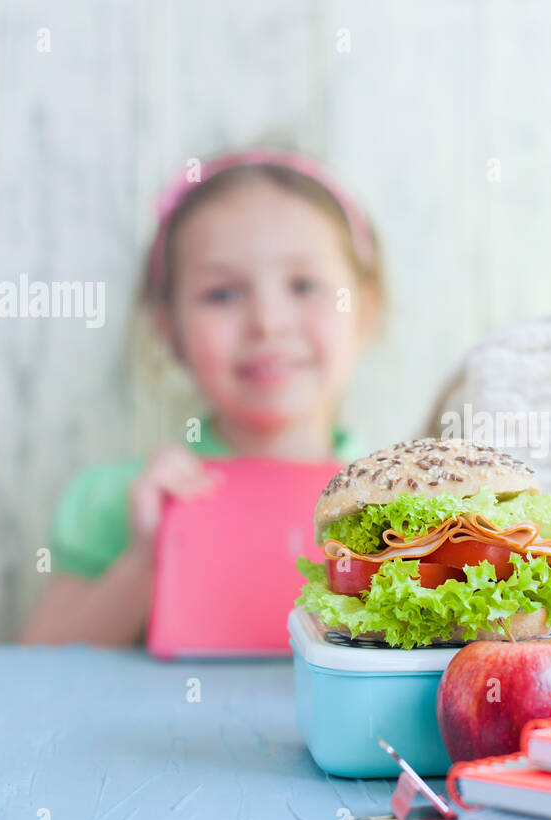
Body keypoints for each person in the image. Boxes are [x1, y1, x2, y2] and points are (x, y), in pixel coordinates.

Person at [19, 148, 382, 647]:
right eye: (222, 295)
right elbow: (37, 661)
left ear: (365, 310)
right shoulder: (121, 502)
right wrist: (146, 560)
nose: (268, 322)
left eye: (304, 285)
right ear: (170, 332)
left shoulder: (403, 509)